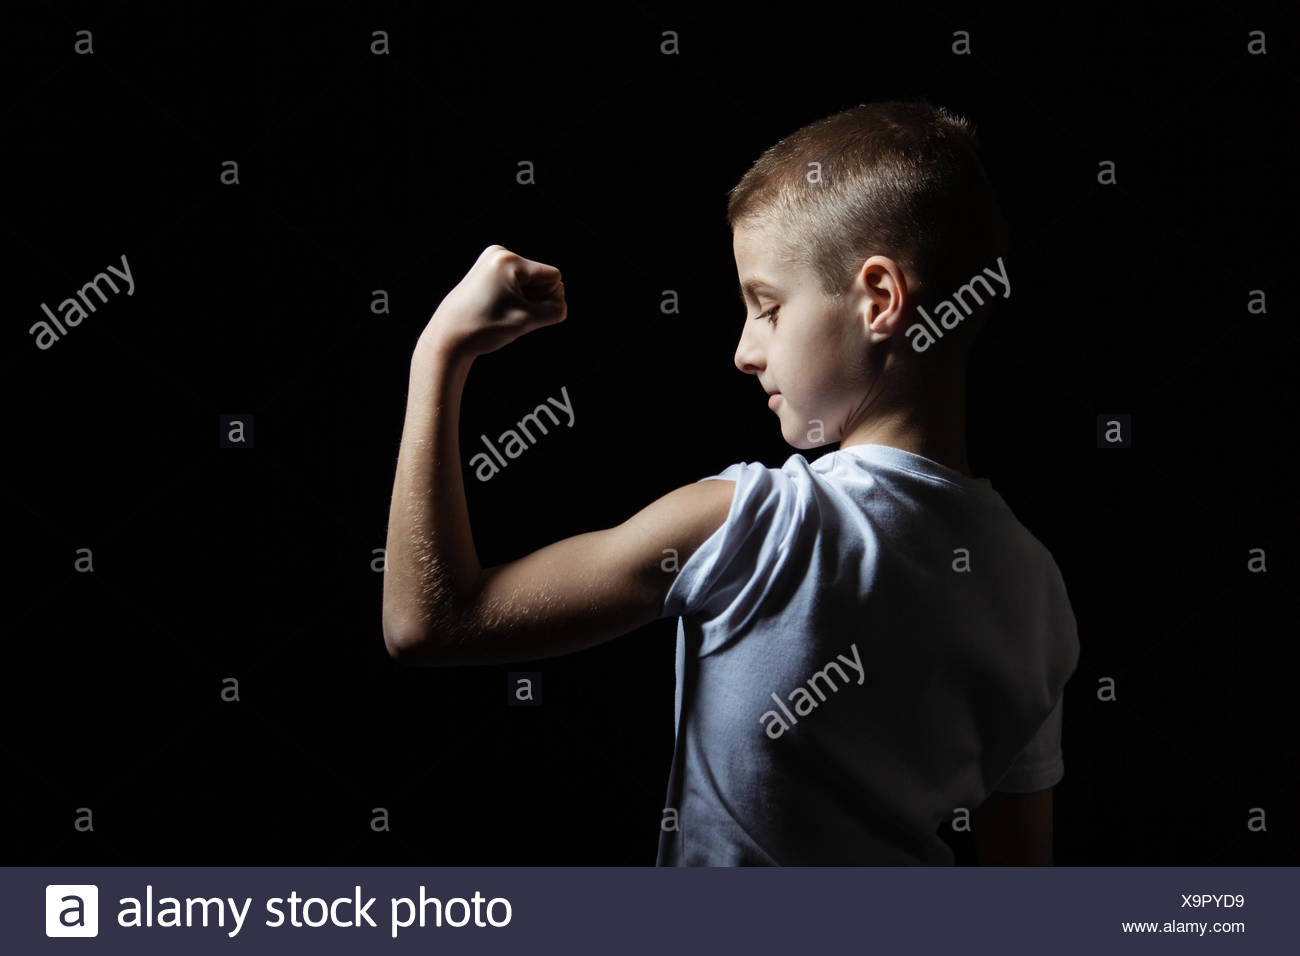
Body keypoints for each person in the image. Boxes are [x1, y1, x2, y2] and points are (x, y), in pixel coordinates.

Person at [382, 99, 1080, 866]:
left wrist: (439, 351)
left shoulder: (752, 525)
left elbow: (430, 623)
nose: (744, 351)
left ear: (879, 300)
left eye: (766, 307)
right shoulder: (1038, 590)